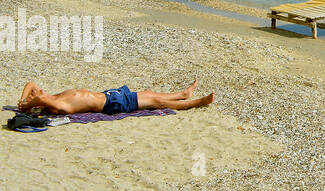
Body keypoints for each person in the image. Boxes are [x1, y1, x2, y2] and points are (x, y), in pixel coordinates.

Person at [16, 79, 213, 115]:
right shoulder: (55, 104)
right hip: (111, 104)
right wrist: (26, 106)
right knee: (156, 102)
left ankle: (182, 94)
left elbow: (31, 84)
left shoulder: (55, 96)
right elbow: (40, 98)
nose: (38, 91)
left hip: (109, 95)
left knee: (150, 94)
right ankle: (196, 102)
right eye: (36, 95)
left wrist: (23, 100)